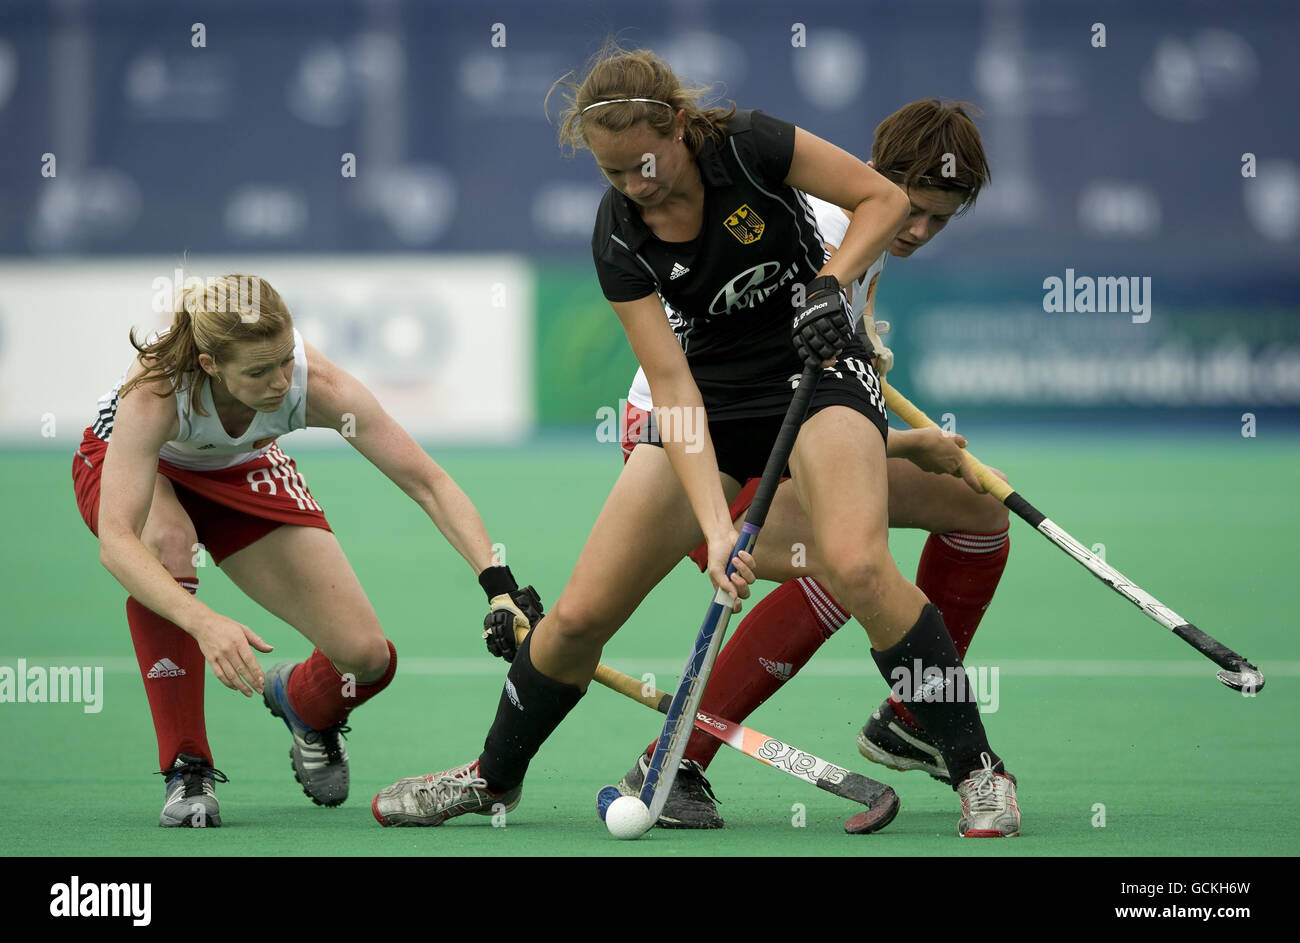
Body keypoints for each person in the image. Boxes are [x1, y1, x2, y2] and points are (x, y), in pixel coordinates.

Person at [373, 45, 1018, 838]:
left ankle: (976, 771)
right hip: (706, 403)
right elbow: (673, 390)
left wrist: (828, 284)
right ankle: (491, 779)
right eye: (614, 175)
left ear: (678, 127)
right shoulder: (620, 237)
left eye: (644, 164)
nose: (636, 186)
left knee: (856, 559)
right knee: (576, 619)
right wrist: (717, 527)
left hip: (816, 378)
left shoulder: (750, 146)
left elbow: (880, 200)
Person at [604, 100, 1013, 829]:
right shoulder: (822, 226)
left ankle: (912, 720)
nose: (917, 230)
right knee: (848, 556)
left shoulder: (863, 235)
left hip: (768, 444)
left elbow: (818, 410)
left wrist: (903, 444)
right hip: (691, 460)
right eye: (913, 209)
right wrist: (895, 444)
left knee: (975, 511)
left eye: (939, 220)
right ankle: (676, 757)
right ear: (878, 177)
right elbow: (762, 412)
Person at [73, 274, 536, 826]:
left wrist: (499, 586)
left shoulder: (318, 388)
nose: (279, 383)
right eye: (258, 372)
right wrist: (203, 622)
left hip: (241, 468)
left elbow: (427, 483)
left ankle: (302, 702)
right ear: (210, 365)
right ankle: (186, 768)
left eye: (285, 361)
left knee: (366, 658)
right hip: (138, 468)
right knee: (167, 541)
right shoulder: (155, 392)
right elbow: (118, 543)